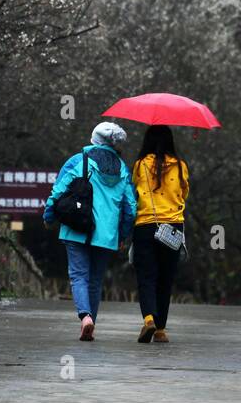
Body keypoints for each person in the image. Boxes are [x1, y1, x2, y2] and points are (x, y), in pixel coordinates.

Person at [43, 122, 136, 341]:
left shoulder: (78, 161)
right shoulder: (122, 169)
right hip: (106, 236)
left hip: (76, 228)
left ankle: (85, 317)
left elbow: (58, 191)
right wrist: (123, 234)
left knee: (78, 275)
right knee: (95, 279)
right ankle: (90, 319)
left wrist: (49, 216)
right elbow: (130, 207)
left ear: (94, 139)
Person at [131, 125, 189, 343]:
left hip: (146, 225)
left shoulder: (140, 166)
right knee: (165, 279)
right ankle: (161, 330)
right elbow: (184, 194)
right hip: (173, 227)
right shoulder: (181, 167)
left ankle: (148, 319)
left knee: (146, 277)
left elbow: (134, 191)